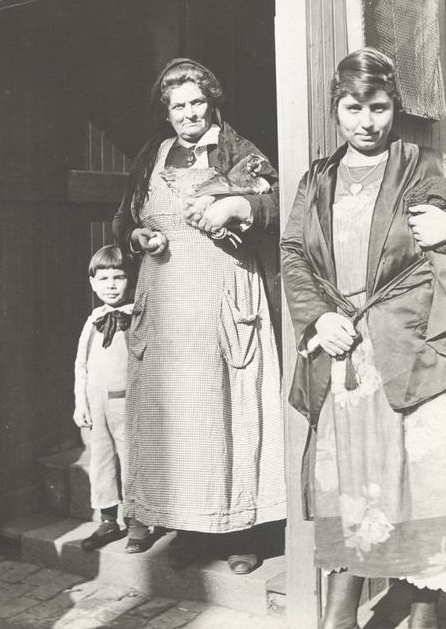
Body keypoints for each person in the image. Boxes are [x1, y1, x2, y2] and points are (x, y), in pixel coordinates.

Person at [281, 48, 446, 629]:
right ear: (336, 109)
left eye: (379, 107)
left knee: (425, 479)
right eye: (354, 108)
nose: (367, 121)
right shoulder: (318, 178)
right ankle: (339, 615)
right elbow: (293, 252)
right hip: (347, 356)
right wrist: (316, 318)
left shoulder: (427, 165)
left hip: (416, 350)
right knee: (353, 480)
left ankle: (424, 611)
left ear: (395, 108)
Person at [114, 58, 286, 574]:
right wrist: (138, 237)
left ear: (211, 103)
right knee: (177, 419)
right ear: (165, 113)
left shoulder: (238, 150)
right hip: (166, 305)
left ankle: (241, 530)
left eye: (196, 102)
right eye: (177, 106)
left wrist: (237, 206)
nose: (188, 113)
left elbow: (278, 204)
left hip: (221, 301)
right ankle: (183, 525)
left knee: (227, 412)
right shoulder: (152, 155)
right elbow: (125, 218)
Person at [73, 245, 134, 551]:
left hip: (127, 402)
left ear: (130, 280)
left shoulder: (135, 318)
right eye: (104, 278)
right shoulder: (94, 319)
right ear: (93, 283)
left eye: (119, 277)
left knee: (131, 459)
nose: (111, 284)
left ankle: (138, 521)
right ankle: (108, 521)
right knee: (101, 460)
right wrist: (80, 403)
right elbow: (81, 365)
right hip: (96, 404)